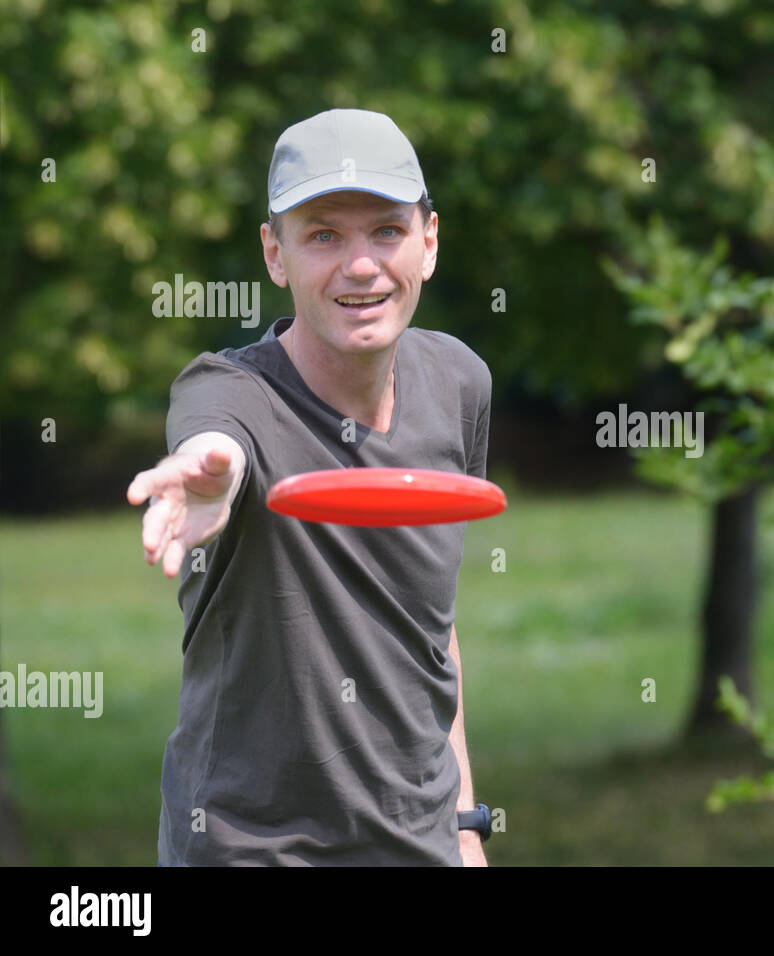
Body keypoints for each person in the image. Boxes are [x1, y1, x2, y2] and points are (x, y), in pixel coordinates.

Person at [127, 109, 491, 866]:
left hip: (420, 847)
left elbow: (431, 625)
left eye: (386, 231)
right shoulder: (228, 392)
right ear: (275, 254)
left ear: (429, 241)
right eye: (324, 235)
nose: (361, 266)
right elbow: (215, 441)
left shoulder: (459, 381)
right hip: (249, 849)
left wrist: (465, 825)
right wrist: (213, 478)